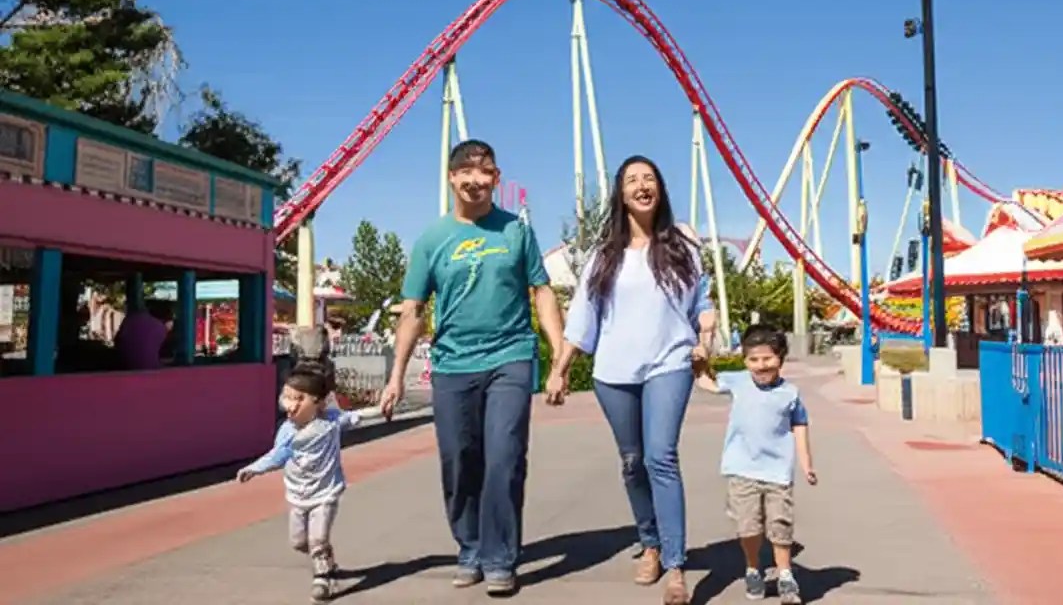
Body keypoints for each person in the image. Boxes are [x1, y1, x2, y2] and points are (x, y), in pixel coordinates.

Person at [379, 139, 565, 595]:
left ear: (496, 180)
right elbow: (413, 310)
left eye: (485, 172)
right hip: (453, 363)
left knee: (503, 457)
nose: (475, 179)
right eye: (466, 170)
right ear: (451, 177)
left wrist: (559, 355)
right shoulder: (431, 239)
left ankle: (501, 557)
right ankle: (470, 545)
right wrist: (396, 374)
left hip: (511, 356)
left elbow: (541, 292)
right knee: (459, 459)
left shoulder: (516, 232)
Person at [547, 155, 717, 605]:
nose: (642, 186)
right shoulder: (604, 256)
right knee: (632, 461)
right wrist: (559, 370)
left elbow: (703, 300)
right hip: (614, 373)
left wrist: (707, 335)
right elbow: (582, 318)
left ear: (659, 188)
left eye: (649, 179)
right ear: (621, 194)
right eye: (632, 180)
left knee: (661, 457)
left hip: (669, 364)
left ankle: (676, 566)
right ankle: (651, 542)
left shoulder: (683, 244)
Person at [695, 325, 816, 605]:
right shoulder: (737, 382)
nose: (761, 366)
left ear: (781, 359)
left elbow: (800, 425)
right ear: (745, 361)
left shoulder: (791, 393)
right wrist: (698, 361)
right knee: (748, 527)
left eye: (768, 359)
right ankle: (753, 568)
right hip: (741, 469)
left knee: (780, 524)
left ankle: (785, 575)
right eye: (753, 360)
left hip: (777, 471)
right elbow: (707, 383)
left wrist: (806, 462)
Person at [237, 366, 361, 603]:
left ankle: (322, 578)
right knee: (299, 542)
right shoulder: (287, 431)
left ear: (318, 403)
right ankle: (326, 558)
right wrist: (254, 468)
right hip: (297, 494)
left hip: (326, 492)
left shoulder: (331, 423)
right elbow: (277, 455)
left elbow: (356, 417)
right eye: (287, 397)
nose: (291, 404)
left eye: (299, 398)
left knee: (317, 538)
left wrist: (384, 406)